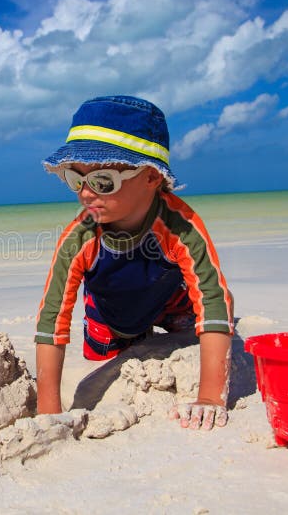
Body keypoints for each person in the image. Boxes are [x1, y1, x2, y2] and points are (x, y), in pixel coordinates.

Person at [35, 95, 235, 430]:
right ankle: (132, 333)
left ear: (152, 178)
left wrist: (211, 397)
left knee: (191, 329)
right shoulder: (80, 239)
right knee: (108, 353)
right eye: (76, 178)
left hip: (168, 299)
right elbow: (52, 320)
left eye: (102, 181)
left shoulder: (180, 227)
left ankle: (164, 326)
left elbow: (214, 301)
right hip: (111, 313)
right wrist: (48, 411)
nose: (85, 193)